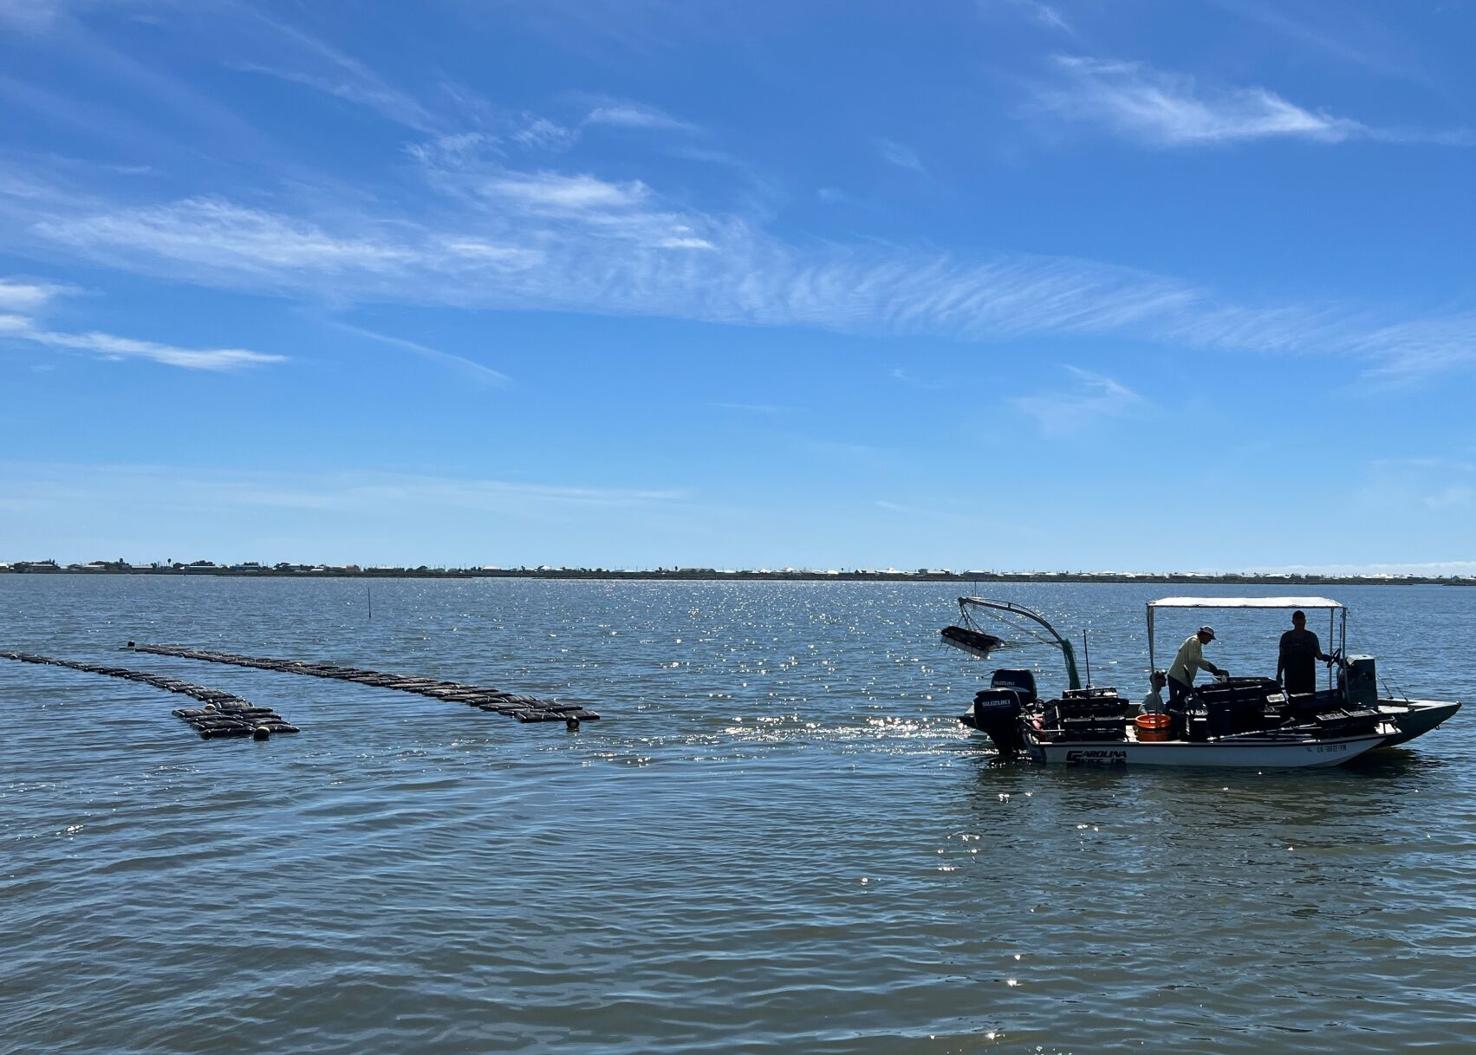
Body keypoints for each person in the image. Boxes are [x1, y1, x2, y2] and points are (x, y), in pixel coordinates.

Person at [1277, 609, 1332, 695]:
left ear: (1305, 621)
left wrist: (1328, 658)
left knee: (1308, 699)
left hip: (1308, 676)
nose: (1299, 622)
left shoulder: (1312, 637)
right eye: (1297, 619)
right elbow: (1281, 658)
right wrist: (1279, 675)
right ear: (1293, 621)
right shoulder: (1286, 637)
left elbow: (1319, 655)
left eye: (1301, 619)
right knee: (1292, 698)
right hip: (1291, 676)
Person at [1167, 626, 1227, 704]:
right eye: (1210, 638)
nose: (1210, 641)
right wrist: (1209, 664)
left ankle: (1171, 709)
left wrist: (1213, 670)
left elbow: (1199, 663)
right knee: (1177, 702)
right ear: (1204, 635)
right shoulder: (1194, 641)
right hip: (1178, 678)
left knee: (1178, 702)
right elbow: (1193, 658)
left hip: (1180, 678)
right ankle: (1169, 709)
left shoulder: (1197, 643)